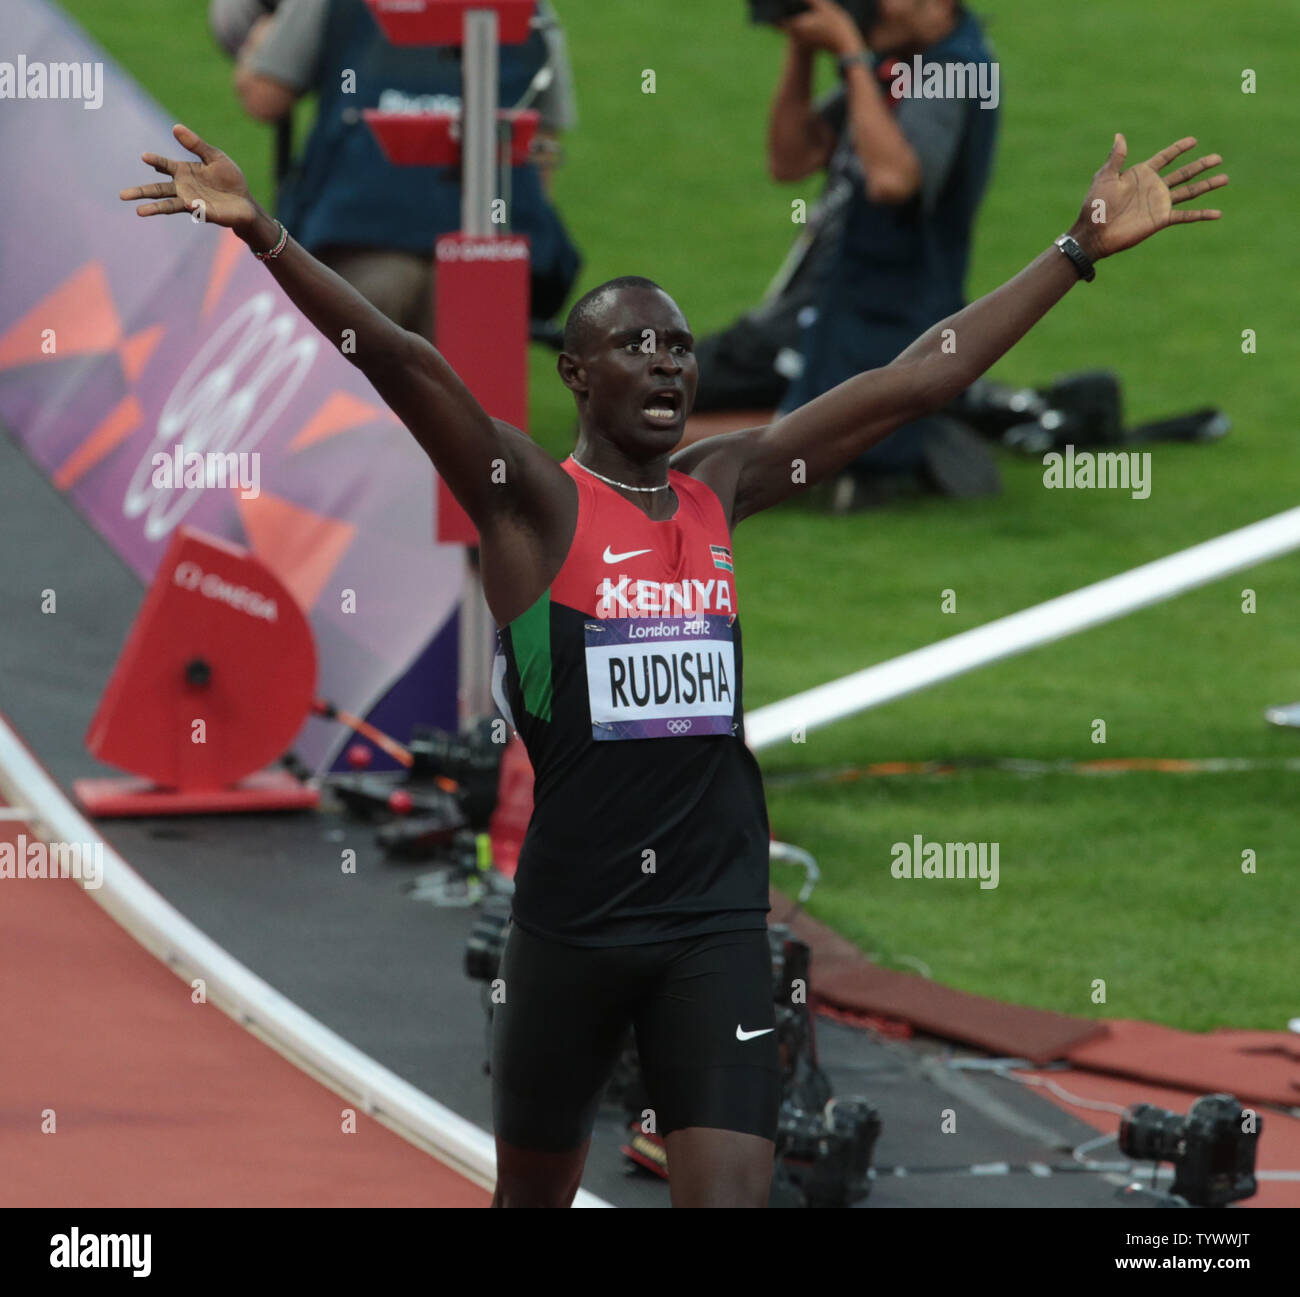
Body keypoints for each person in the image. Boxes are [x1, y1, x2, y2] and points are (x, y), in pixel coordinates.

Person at [121, 123, 1225, 1206]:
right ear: (578, 375)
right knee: (534, 1193)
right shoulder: (528, 503)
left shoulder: (721, 485)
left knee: (732, 1190)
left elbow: (910, 382)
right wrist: (266, 233)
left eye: (682, 347)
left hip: (712, 923)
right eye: (636, 345)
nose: (667, 362)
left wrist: (1071, 251)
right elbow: (405, 363)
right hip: (570, 927)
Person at [699, 0, 1002, 504]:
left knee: (653, 415)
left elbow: (891, 179)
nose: (873, 9)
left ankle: (887, 437)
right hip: (820, 310)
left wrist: (851, 54)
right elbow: (790, 158)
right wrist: (802, 49)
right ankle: (889, 430)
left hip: (874, 318)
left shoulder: (956, 71)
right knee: (662, 393)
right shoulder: (900, 61)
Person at [213, 0, 581, 338]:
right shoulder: (531, 10)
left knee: (360, 395)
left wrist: (259, 41)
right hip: (486, 252)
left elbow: (265, 97)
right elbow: (537, 145)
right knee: (473, 399)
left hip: (359, 240)